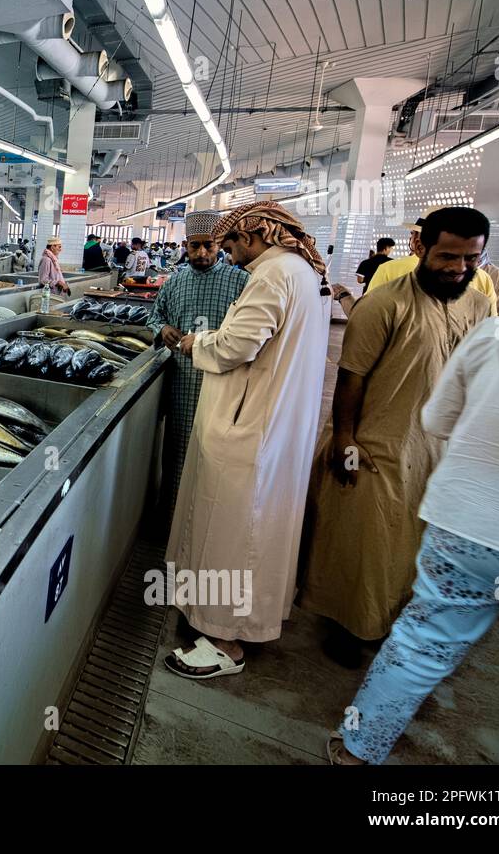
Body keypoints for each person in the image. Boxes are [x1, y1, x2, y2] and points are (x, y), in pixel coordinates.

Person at [327, 300, 499, 765]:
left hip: (464, 523)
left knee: (421, 644)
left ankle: (356, 751)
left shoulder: (496, 332)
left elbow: (436, 421)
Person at [300, 207, 493, 662]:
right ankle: (350, 626)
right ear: (420, 247)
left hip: (438, 446)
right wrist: (345, 439)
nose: (458, 269)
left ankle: (393, 622)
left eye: (471, 259)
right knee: (366, 540)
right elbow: (351, 377)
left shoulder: (480, 305)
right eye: (448, 257)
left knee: (412, 543)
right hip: (379, 440)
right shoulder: (385, 304)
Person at [162, 201, 329, 679]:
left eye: (231, 243)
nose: (228, 253)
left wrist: (198, 343)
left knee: (236, 531)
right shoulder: (298, 272)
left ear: (256, 234)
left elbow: (238, 346)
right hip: (270, 420)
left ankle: (224, 640)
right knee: (244, 529)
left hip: (252, 424)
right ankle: (221, 621)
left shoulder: (273, 274)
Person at [145, 211, 248, 513]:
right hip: (182, 382)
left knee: (214, 452)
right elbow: (155, 316)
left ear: (219, 246)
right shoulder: (173, 283)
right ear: (185, 246)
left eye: (209, 246)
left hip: (224, 382)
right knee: (177, 450)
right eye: (194, 246)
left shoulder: (241, 281)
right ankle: (172, 517)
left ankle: (205, 518)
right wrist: (161, 329)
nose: (202, 253)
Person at [365, 213, 497, 314]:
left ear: (417, 241)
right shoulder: (483, 278)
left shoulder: (389, 269)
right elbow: (490, 330)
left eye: (412, 234)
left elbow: (368, 316)